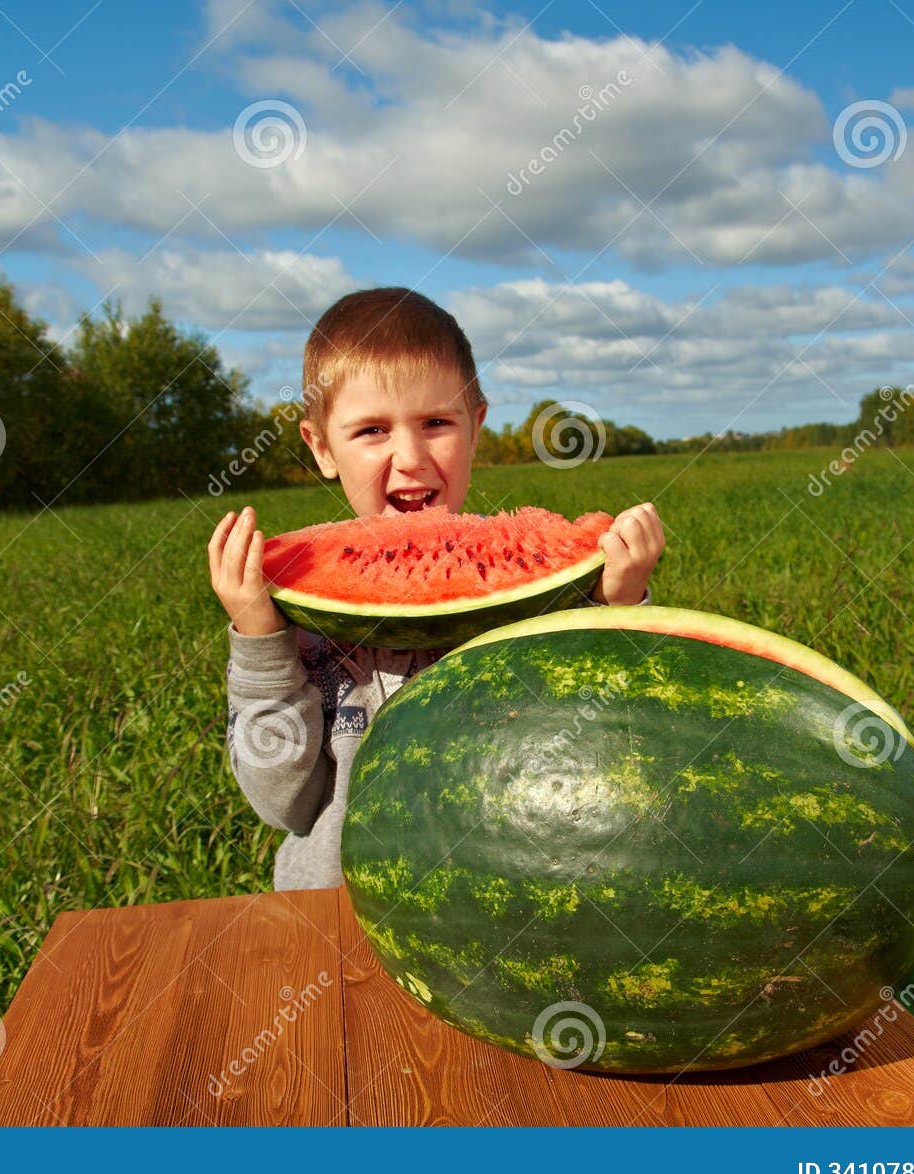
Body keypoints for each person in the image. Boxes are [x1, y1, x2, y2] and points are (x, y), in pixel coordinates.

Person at [207, 286, 665, 890]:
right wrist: (264, 642)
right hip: (334, 919)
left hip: (495, 908)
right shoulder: (304, 638)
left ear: (475, 427)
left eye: (436, 423)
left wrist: (618, 604)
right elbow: (282, 805)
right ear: (322, 448)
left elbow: (603, 737)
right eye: (372, 430)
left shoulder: (533, 609)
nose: (411, 457)